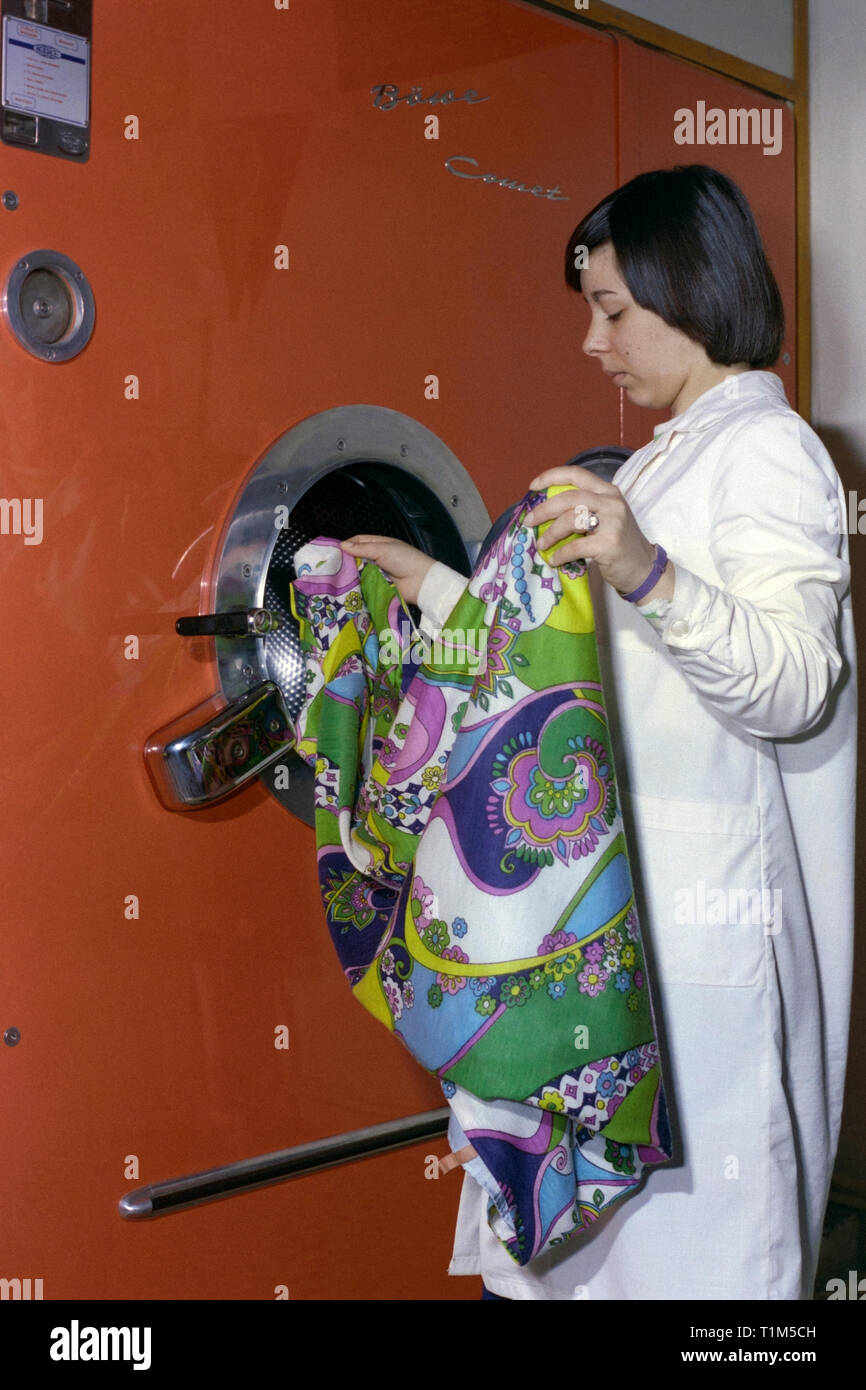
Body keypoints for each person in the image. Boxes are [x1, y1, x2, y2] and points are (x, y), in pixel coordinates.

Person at [340, 165, 856, 1301]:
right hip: (621, 943)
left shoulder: (765, 452)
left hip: (695, 945)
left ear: (692, 288)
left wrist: (649, 569)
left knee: (705, 1271)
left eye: (611, 308)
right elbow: (576, 670)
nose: (590, 340)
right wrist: (429, 584)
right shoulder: (676, 453)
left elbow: (794, 679)